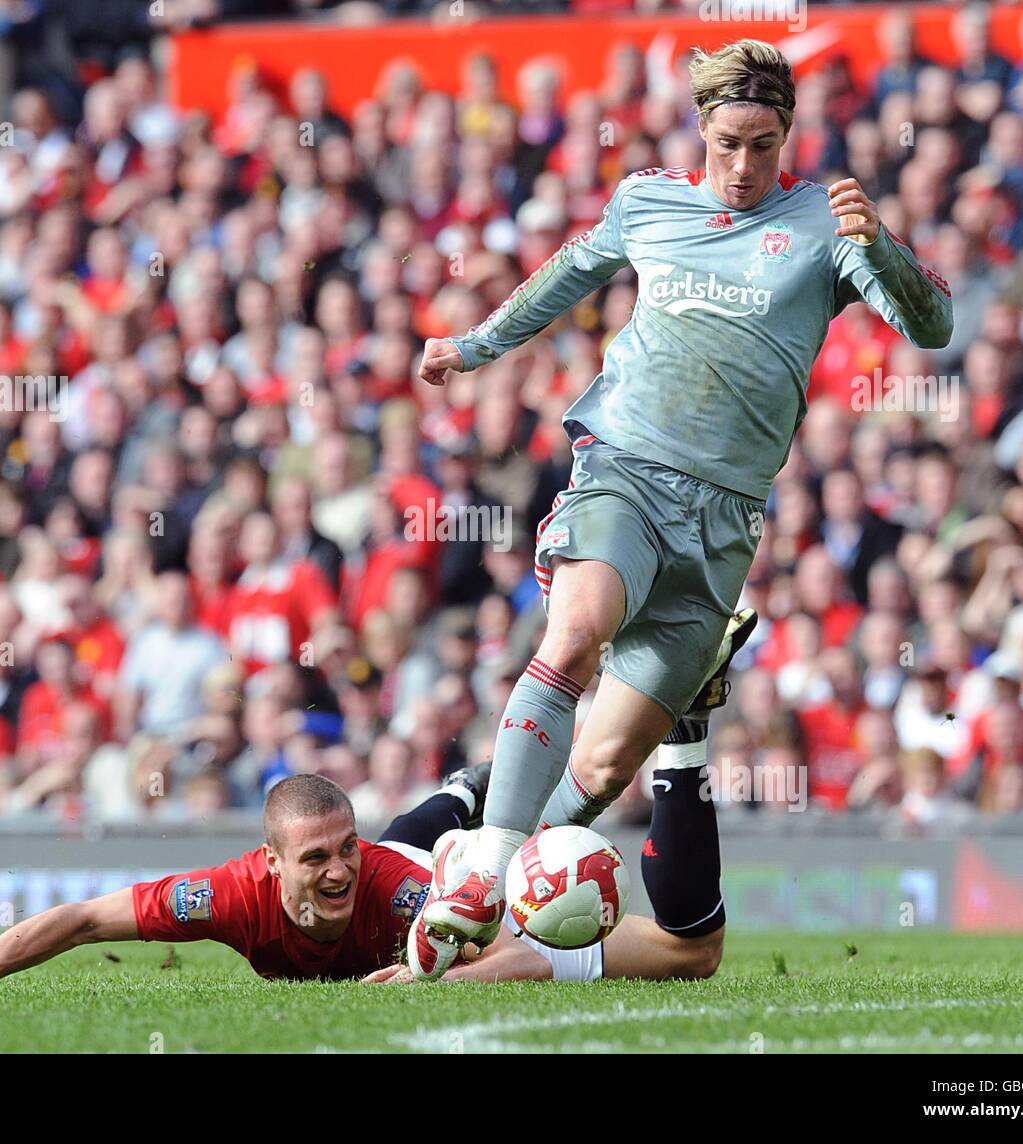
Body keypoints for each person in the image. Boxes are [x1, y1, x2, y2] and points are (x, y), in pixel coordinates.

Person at [407, 38, 953, 981]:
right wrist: (474, 345)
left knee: (610, 764)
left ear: (789, 137)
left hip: (726, 523)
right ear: (701, 127)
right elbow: (566, 277)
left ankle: (476, 883)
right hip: (625, 470)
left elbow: (933, 326)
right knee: (575, 633)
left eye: (765, 145)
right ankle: (484, 871)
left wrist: (883, 247)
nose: (744, 167)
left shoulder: (825, 224)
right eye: (730, 142)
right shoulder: (649, 201)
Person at [0, 767, 717, 985]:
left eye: (342, 848)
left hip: (458, 881)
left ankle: (479, 805)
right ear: (269, 864)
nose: (336, 870)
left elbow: (524, 954)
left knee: (691, 957)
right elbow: (79, 919)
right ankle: (460, 792)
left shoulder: (400, 889)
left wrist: (432, 980)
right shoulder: (228, 896)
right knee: (402, 841)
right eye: (314, 856)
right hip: (413, 856)